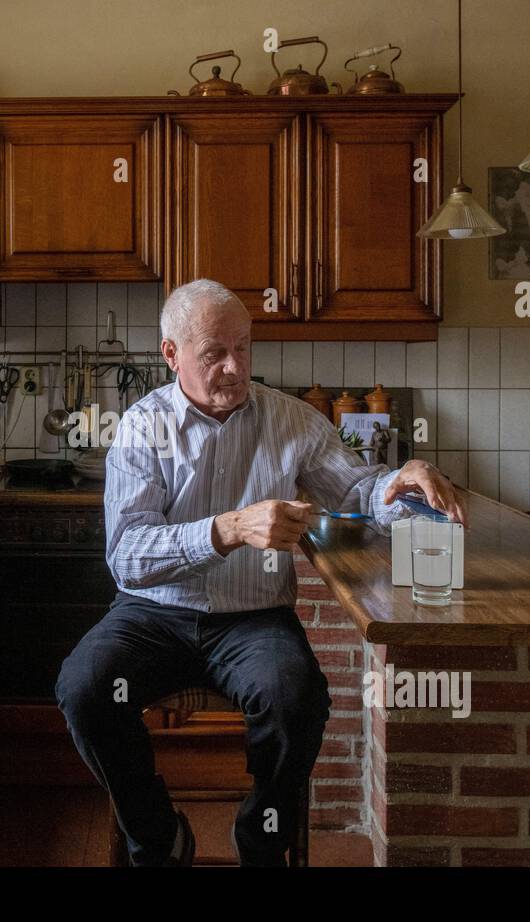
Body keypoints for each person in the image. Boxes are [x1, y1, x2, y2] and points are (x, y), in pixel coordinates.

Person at [56, 278, 466, 867]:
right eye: (214, 353)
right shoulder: (143, 428)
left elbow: (353, 490)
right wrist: (228, 529)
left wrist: (399, 484)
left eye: (243, 348)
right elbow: (126, 552)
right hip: (151, 613)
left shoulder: (291, 421)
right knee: (84, 689)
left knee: (295, 699)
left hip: (253, 621)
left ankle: (260, 840)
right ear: (171, 354)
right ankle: (158, 835)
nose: (233, 366)